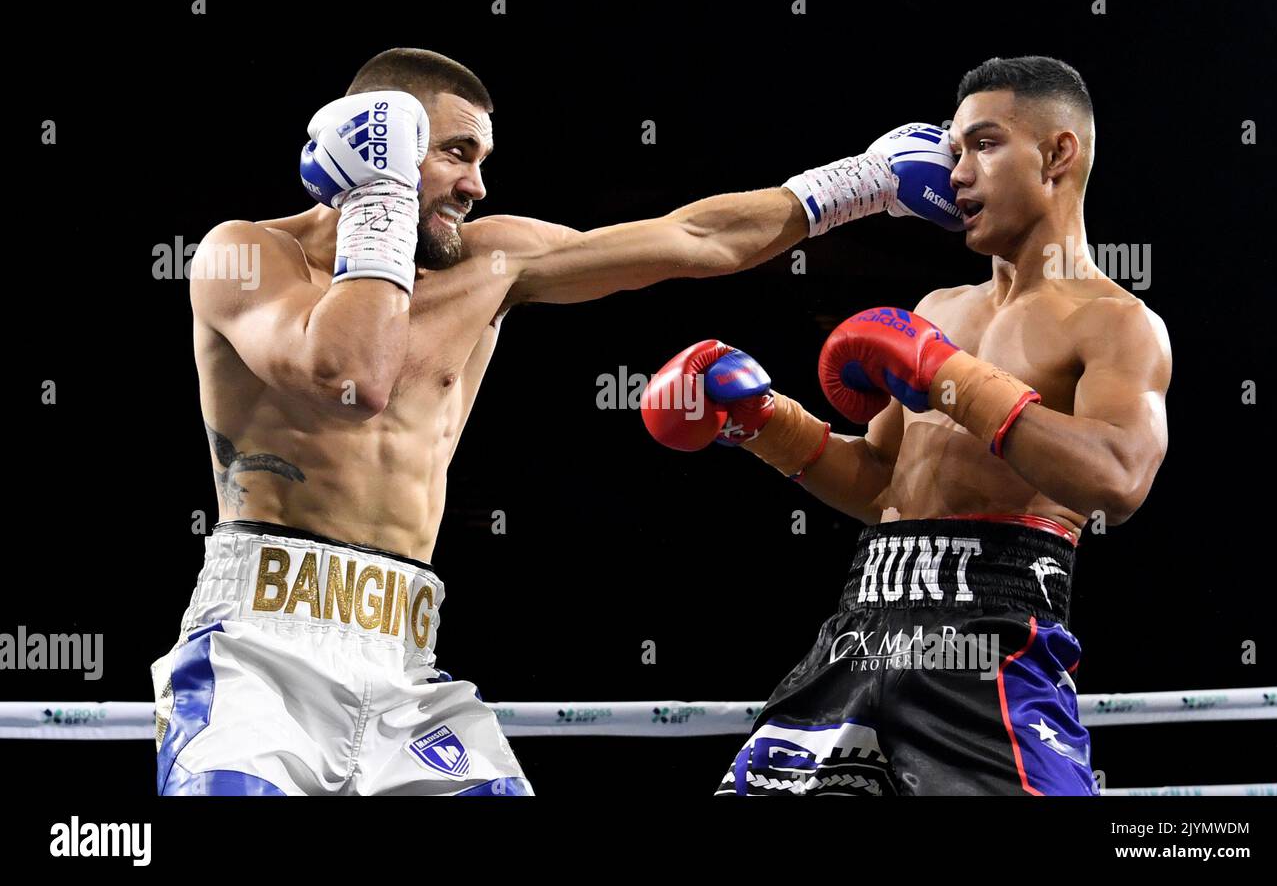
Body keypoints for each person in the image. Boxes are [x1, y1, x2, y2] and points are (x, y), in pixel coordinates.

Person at [152, 46, 959, 795]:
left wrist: (864, 181)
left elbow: (692, 239)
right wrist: (384, 201)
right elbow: (351, 373)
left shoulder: (491, 260)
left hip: (402, 655)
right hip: (257, 649)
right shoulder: (246, 255)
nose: (477, 187)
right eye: (456, 153)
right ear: (381, 140)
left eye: (483, 161)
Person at [642, 56, 1171, 795]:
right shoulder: (934, 310)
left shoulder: (1117, 322)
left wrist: (949, 379)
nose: (956, 174)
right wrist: (763, 422)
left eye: (983, 145)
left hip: (991, 651)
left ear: (1058, 153)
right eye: (952, 152)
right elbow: (881, 482)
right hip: (858, 637)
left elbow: (1118, 477)